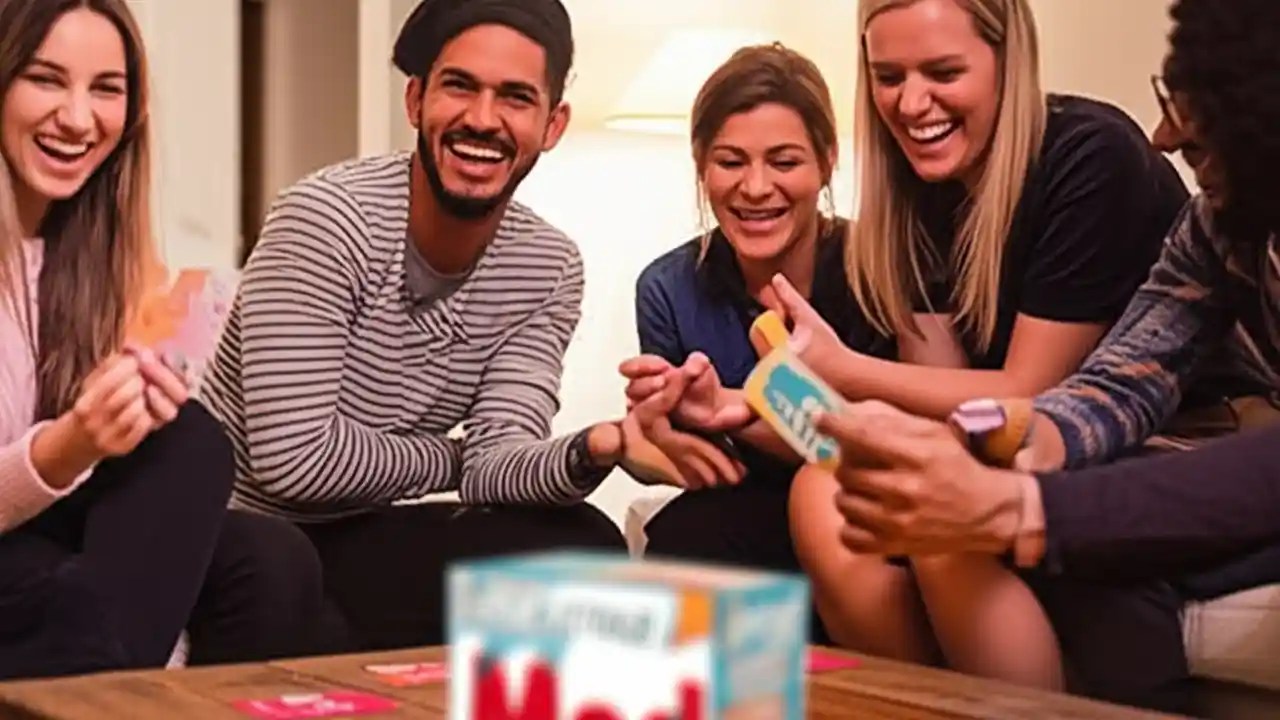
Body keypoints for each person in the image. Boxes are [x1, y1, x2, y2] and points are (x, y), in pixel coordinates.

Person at [626, 0, 1191, 708]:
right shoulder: (919, 192)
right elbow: (940, 391)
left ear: (1007, 58)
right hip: (1000, 434)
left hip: (1142, 432)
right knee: (826, 493)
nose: (911, 103)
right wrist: (735, 408)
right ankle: (919, 703)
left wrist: (836, 369)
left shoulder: (1088, 153)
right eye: (888, 76)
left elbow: (1031, 394)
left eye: (943, 71)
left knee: (928, 497)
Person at [816, 0, 1280, 711]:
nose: (1161, 138)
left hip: (1224, 443)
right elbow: (1123, 382)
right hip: (1174, 450)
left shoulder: (1089, 153)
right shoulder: (1215, 224)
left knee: (1091, 553)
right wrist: (996, 446)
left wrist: (1022, 503)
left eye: (1198, 123)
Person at [196, 0, 675, 653]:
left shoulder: (548, 265)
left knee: (579, 542)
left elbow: (501, 457)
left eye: (515, 97)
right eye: (460, 86)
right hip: (236, 532)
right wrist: (457, 458)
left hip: (359, 531)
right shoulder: (326, 218)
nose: (483, 119)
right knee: (284, 571)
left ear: (552, 123)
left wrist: (598, 446)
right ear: (416, 100)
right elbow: (295, 464)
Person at [0, 0, 328, 679]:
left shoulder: (98, 263)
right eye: (45, 78)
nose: (78, 117)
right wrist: (68, 447)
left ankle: (99, 683)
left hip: (59, 582)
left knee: (266, 552)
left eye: (107, 89)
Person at [619, 43, 895, 646]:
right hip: (740, 512)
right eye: (730, 161)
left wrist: (739, 407)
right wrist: (652, 438)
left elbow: (874, 452)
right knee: (682, 539)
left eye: (784, 161)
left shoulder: (877, 270)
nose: (756, 187)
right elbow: (684, 461)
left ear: (826, 161)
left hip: (862, 504)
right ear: (700, 164)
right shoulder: (667, 287)